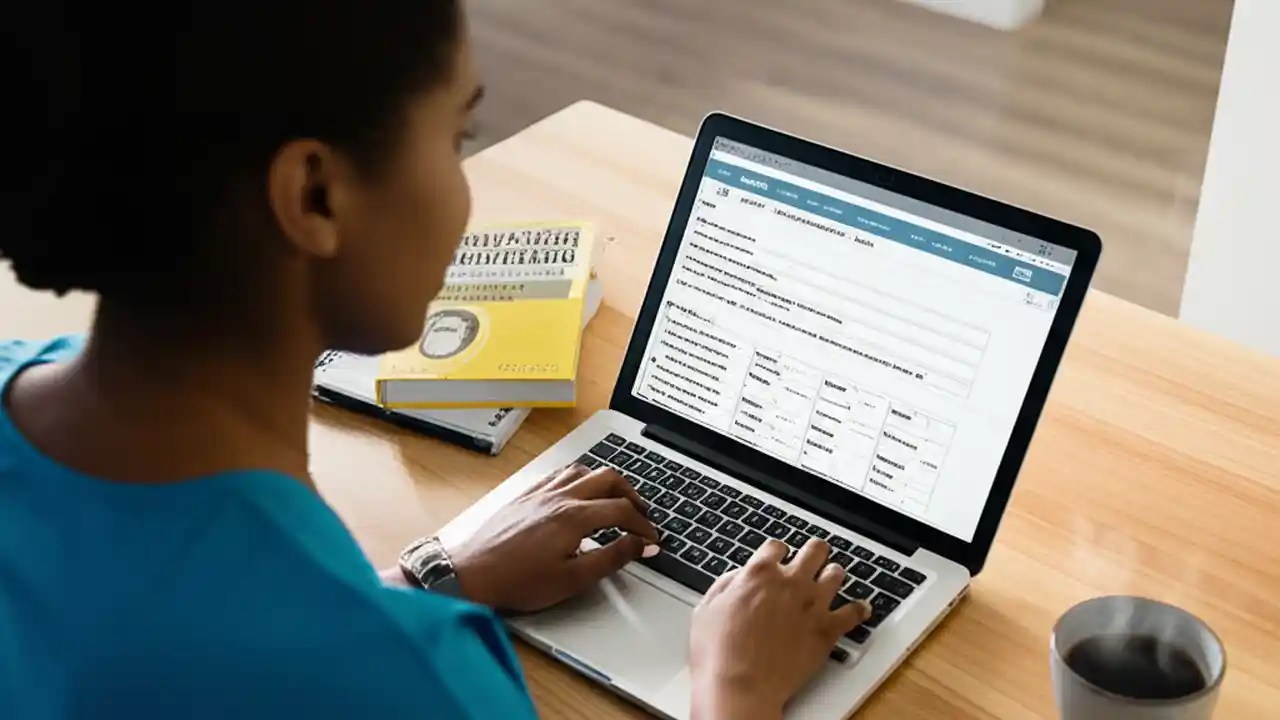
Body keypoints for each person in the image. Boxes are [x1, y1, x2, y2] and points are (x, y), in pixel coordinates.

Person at [0, 2, 871, 718]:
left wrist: (424, 577)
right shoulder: (417, 684)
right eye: (458, 137)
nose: (466, 189)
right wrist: (736, 691)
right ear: (315, 195)